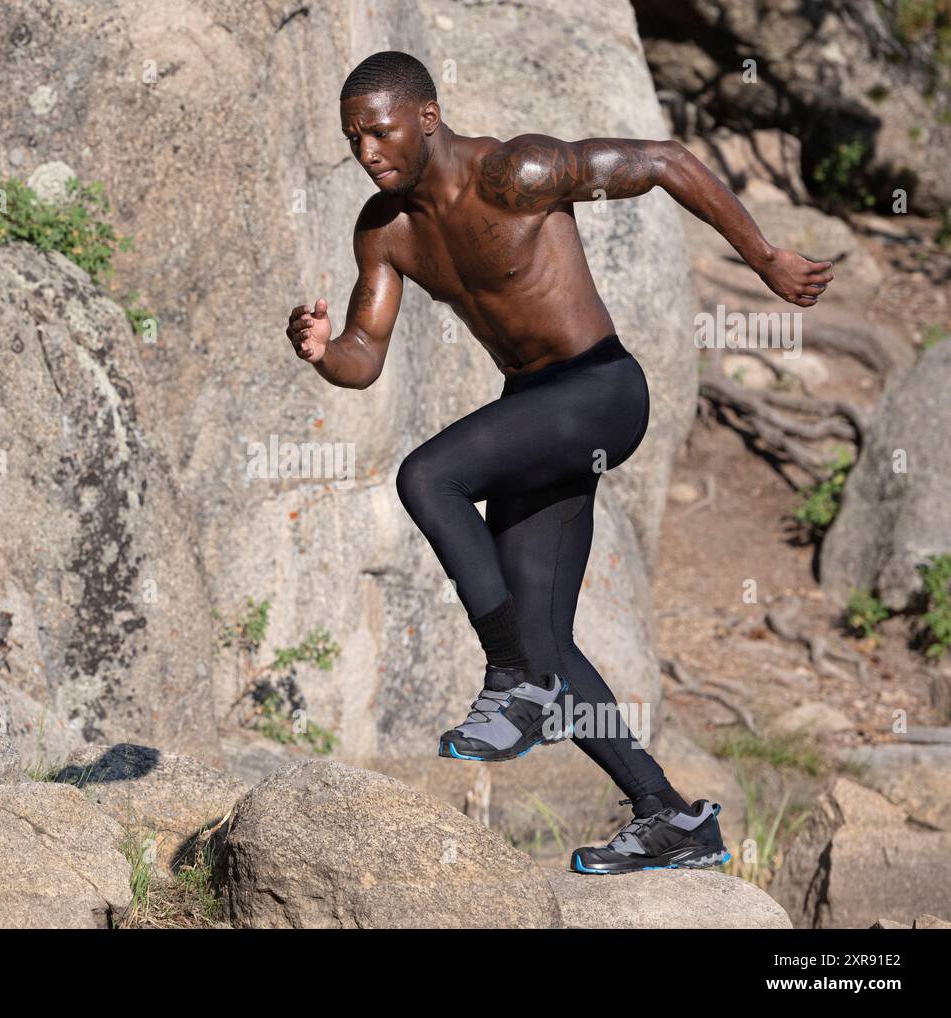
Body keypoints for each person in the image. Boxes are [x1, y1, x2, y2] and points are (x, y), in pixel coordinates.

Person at [285, 51, 833, 875]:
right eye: (353, 137)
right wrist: (324, 351)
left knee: (427, 477)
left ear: (427, 117)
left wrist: (764, 259)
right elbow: (365, 353)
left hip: (600, 391)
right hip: (535, 415)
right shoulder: (385, 230)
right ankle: (670, 818)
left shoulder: (519, 172)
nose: (367, 150)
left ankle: (510, 682)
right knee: (551, 644)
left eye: (380, 130)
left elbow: (664, 162)